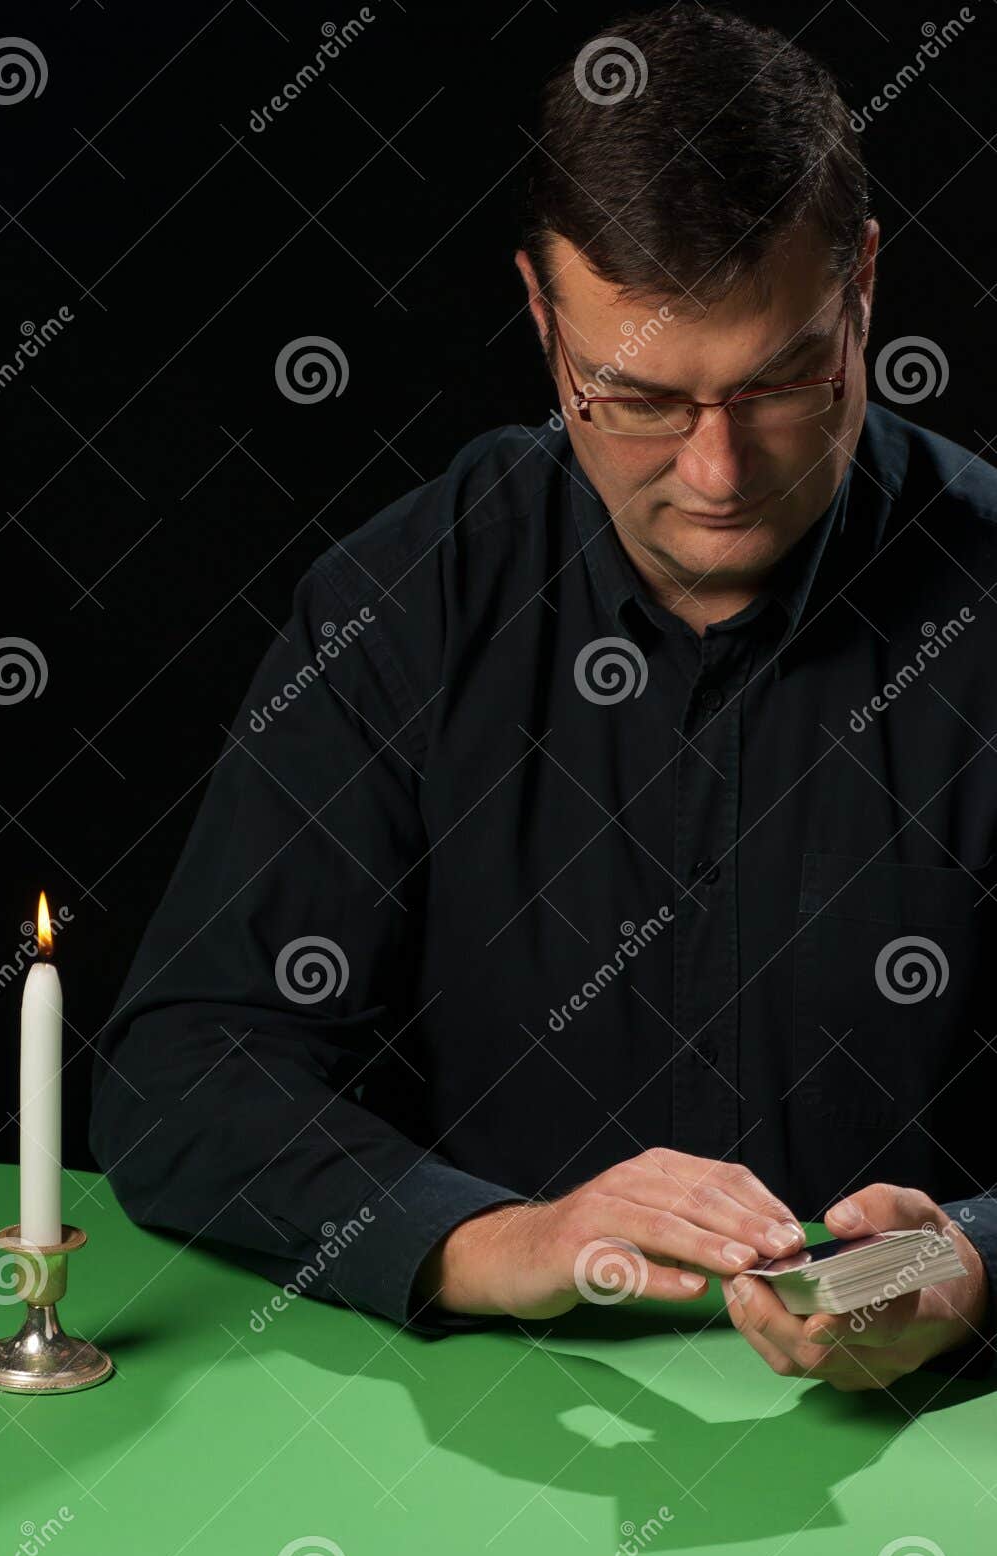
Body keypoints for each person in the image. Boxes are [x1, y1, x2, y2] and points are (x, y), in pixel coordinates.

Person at [89, 7, 996, 1390]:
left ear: (864, 284)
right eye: (634, 397)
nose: (714, 475)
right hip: (500, 1432)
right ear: (539, 315)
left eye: (778, 383)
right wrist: (486, 1240)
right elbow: (185, 1065)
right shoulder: (406, 599)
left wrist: (977, 1258)